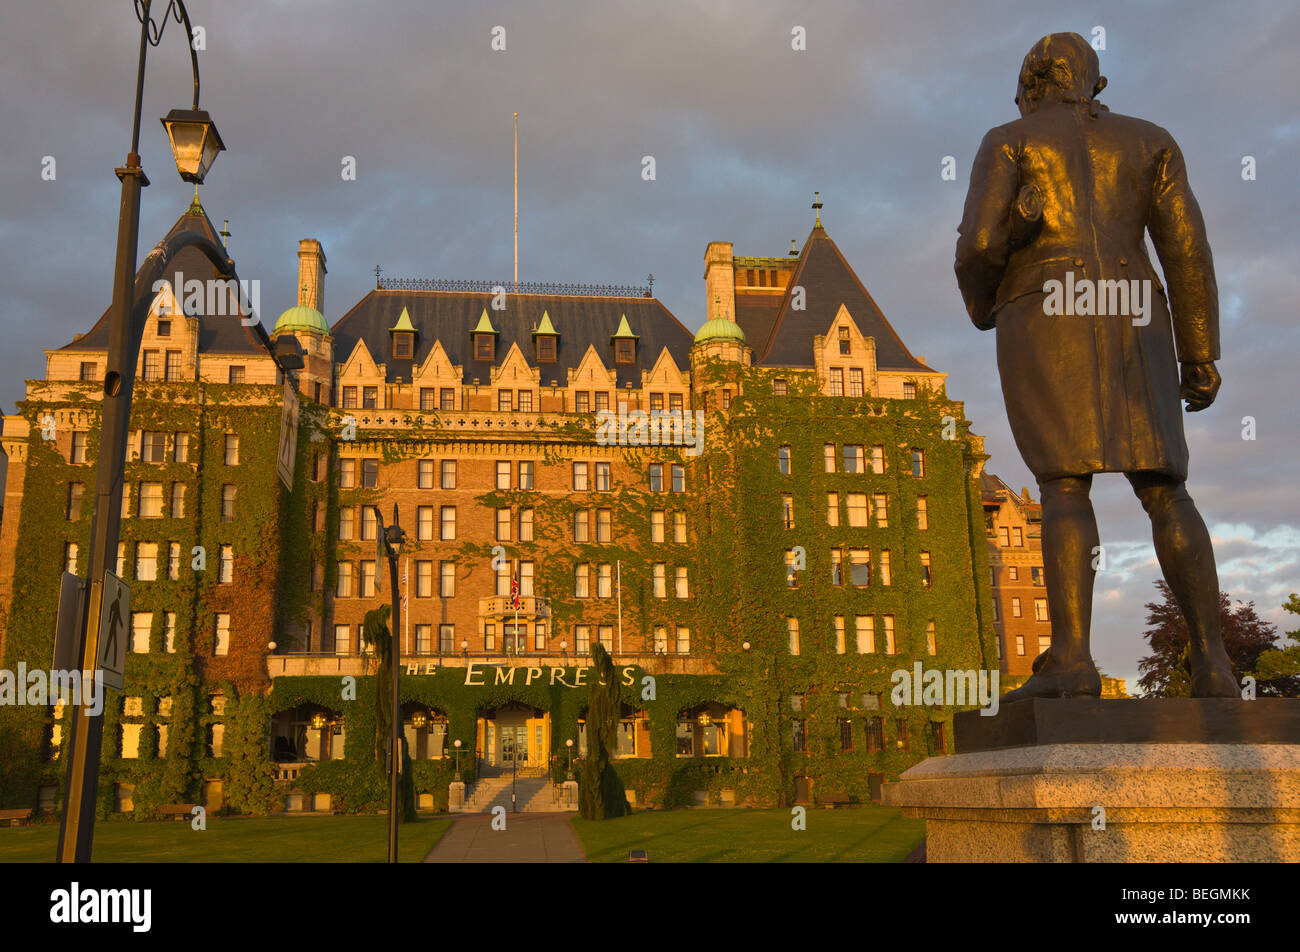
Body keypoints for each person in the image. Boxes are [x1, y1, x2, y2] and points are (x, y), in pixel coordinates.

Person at [955, 32, 1237, 700]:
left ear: (1031, 82)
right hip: (1135, 309)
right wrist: (1199, 353)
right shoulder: (1151, 141)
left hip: (1045, 309)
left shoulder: (1010, 140)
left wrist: (983, 306)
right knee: (1166, 488)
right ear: (1095, 83)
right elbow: (1188, 250)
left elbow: (981, 244)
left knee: (1063, 486)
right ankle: (1215, 662)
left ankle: (1074, 661)